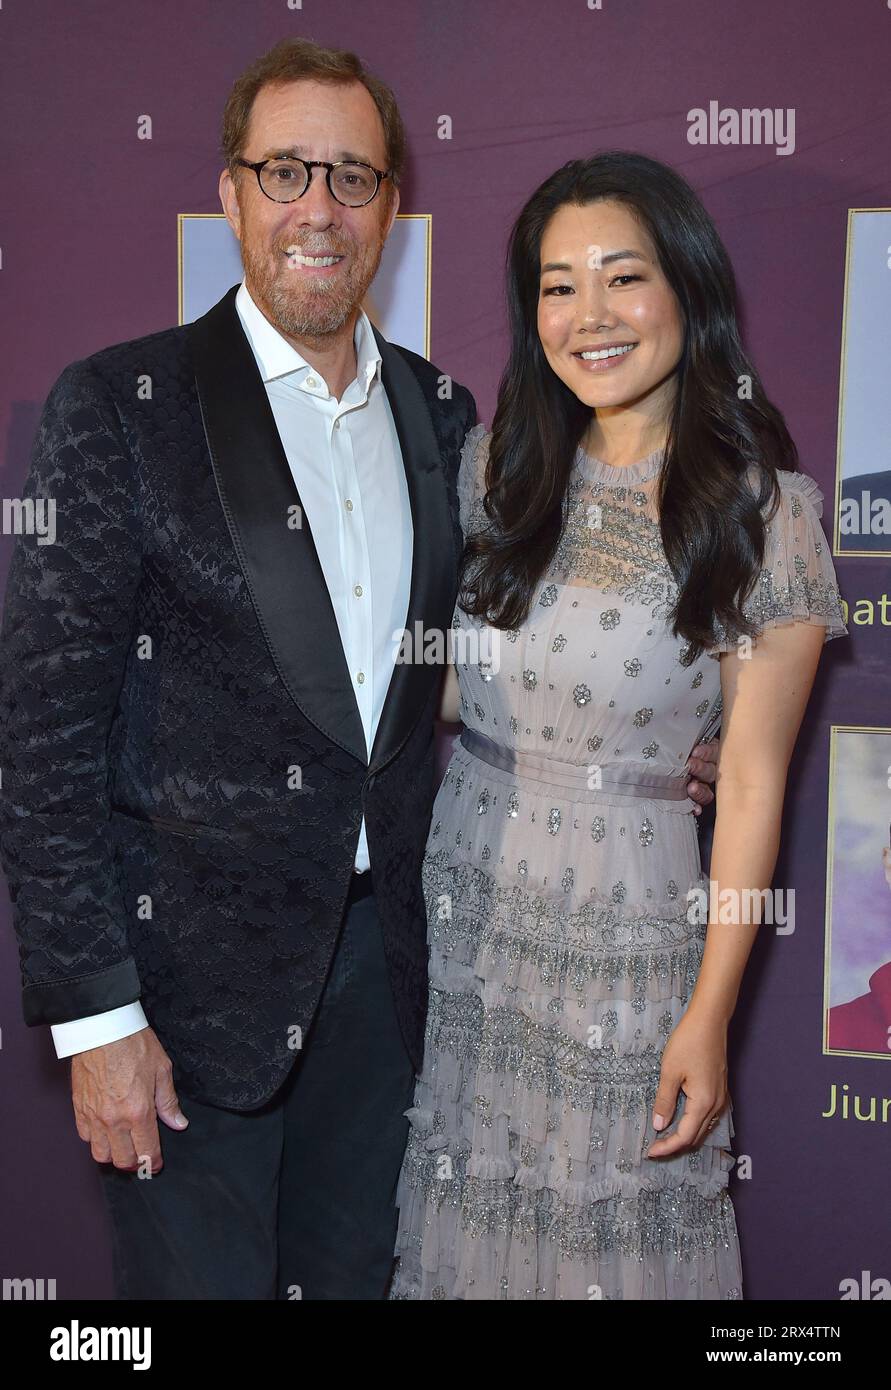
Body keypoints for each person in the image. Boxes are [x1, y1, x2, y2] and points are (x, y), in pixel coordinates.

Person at [0, 36, 483, 1302]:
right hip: (184, 1003)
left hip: (388, 987)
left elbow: (487, 664)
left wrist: (671, 747)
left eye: (352, 176)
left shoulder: (445, 416)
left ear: (393, 207)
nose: (318, 207)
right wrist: (98, 1022)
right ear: (228, 195)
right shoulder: (121, 405)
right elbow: (43, 737)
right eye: (285, 172)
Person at [389, 151, 849, 1300]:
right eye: (556, 285)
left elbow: (748, 785)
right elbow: (448, 687)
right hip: (474, 913)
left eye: (621, 277)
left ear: (686, 291)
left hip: (625, 930)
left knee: (609, 1242)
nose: (587, 315)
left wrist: (710, 1015)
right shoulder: (499, 468)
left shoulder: (763, 509)